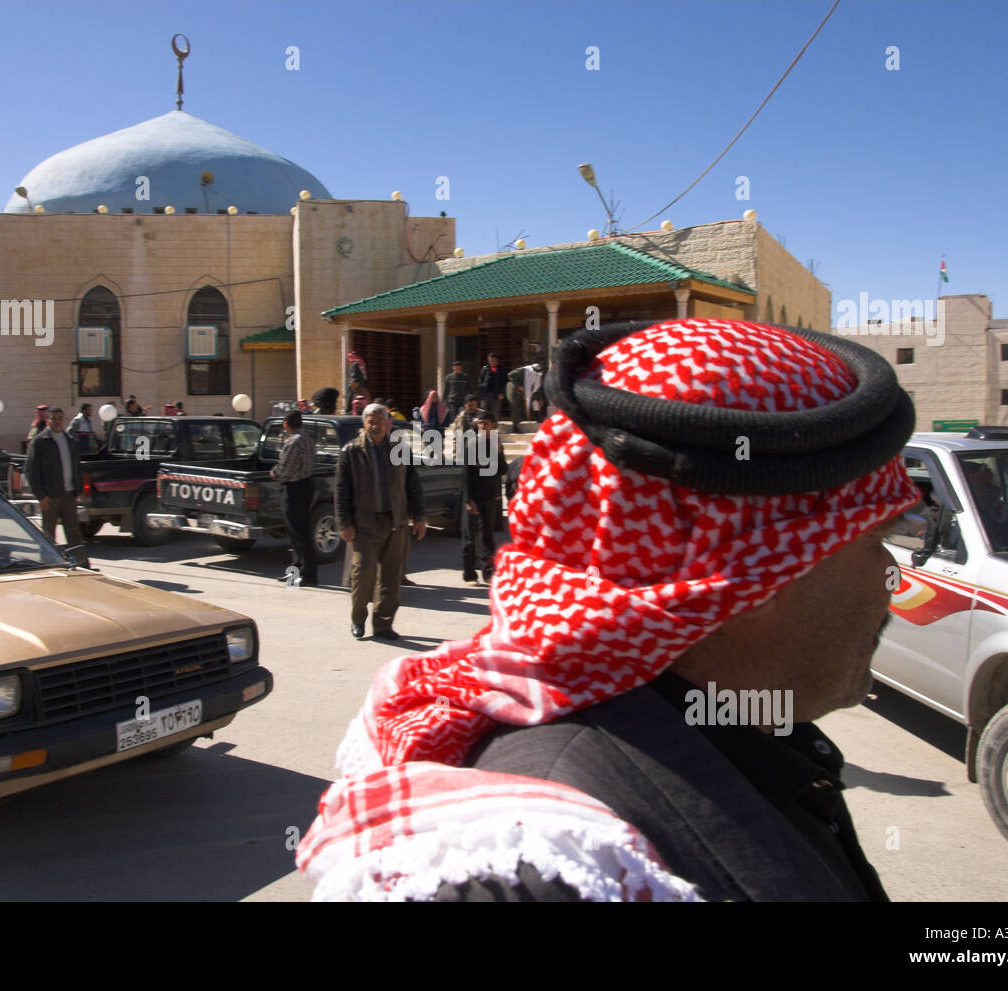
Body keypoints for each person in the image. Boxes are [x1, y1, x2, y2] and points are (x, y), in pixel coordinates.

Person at [297, 317, 922, 901]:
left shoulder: (754, 730)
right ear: (756, 575)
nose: (891, 579)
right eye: (875, 542)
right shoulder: (550, 867)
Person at [336, 404, 426, 640]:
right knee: (363, 574)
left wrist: (419, 517)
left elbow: (412, 485)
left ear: (388, 423)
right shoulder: (351, 451)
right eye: (370, 421)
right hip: (364, 524)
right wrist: (344, 522)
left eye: (379, 421)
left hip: (395, 522)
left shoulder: (400, 449)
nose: (375, 425)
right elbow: (341, 491)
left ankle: (383, 623)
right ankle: (357, 619)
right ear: (364, 423)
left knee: (391, 577)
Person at [26, 407, 91, 569]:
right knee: (48, 533)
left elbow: (76, 467)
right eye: (53, 418)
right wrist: (40, 496)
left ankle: (82, 564)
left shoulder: (70, 441)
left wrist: (79, 490)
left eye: (60, 418)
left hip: (69, 494)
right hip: (50, 496)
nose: (57, 421)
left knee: (74, 530)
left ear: (64, 420)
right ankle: (48, 564)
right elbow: (31, 471)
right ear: (48, 420)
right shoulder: (40, 442)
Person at [459, 410, 507, 585]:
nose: (483, 426)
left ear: (493, 425)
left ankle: (488, 572)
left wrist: (500, 453)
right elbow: (465, 474)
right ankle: (469, 574)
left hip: (490, 498)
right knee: (470, 538)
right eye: (480, 423)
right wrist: (468, 499)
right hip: (473, 498)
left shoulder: (496, 444)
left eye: (486, 423)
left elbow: (503, 470)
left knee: (488, 537)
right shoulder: (471, 444)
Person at [271, 410, 318, 586]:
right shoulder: (308, 439)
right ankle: (295, 571)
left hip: (293, 488)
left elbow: (285, 469)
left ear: (286, 424)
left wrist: (274, 472)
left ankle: (307, 575)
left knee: (298, 533)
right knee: (299, 532)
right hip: (306, 485)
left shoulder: (293, 442)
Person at [477, 352, 508, 418]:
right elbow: (480, 380)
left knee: (495, 412)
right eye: (490, 361)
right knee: (484, 412)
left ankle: (494, 427)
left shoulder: (502, 369)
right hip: (485, 394)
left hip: (497, 394)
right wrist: (481, 388)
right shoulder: (485, 369)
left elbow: (504, 383)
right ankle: (484, 427)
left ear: (497, 360)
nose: (492, 362)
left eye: (493, 361)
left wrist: (502, 393)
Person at [443, 360, 470, 426]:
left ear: (461, 367)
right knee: (453, 416)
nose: (457, 369)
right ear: (453, 367)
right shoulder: (449, 377)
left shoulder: (465, 377)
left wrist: (470, 399)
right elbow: (446, 389)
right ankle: (454, 431)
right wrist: (444, 400)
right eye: (455, 367)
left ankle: (461, 429)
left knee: (462, 415)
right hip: (452, 400)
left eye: (458, 367)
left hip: (462, 400)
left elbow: (470, 389)